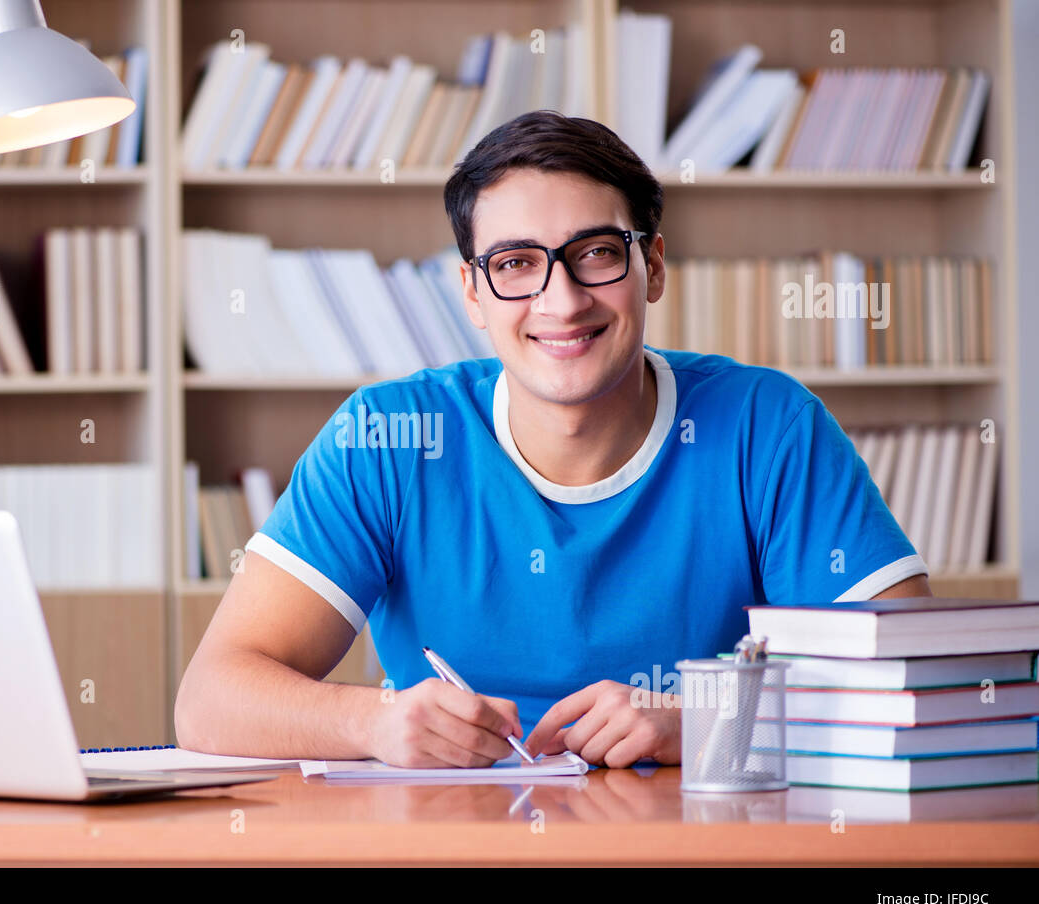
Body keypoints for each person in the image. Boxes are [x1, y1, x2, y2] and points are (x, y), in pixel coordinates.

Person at [174, 110, 932, 769]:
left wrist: (710, 718)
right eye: (515, 264)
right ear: (472, 293)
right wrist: (372, 722)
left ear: (653, 266)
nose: (561, 301)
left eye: (597, 253)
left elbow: (914, 680)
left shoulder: (768, 424)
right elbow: (210, 698)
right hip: (457, 844)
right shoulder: (389, 438)